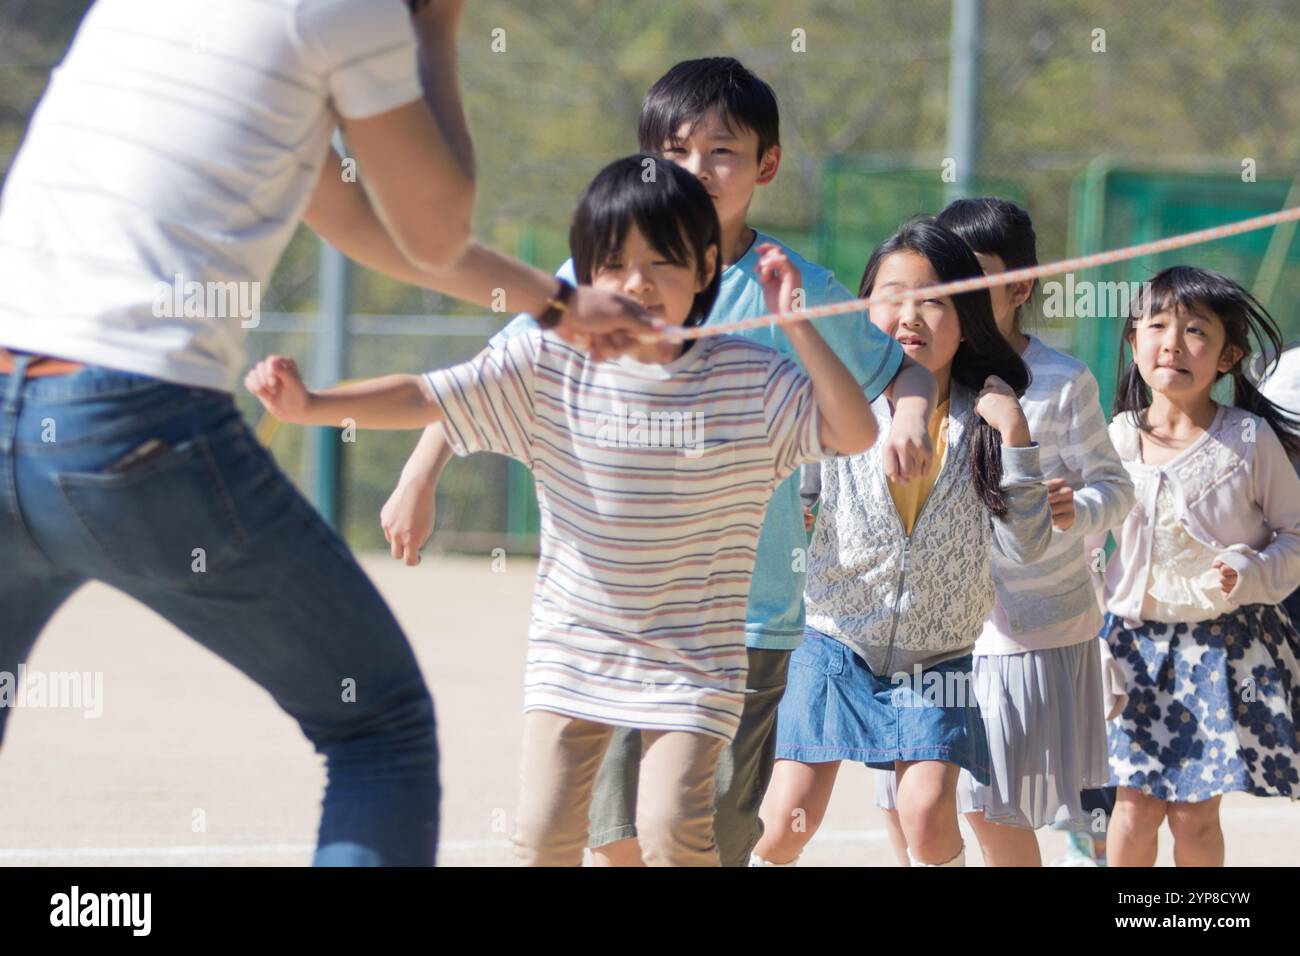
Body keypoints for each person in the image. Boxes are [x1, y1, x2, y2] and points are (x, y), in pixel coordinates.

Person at [0, 0, 652, 866]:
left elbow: (364, 228)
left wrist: (560, 304)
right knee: (377, 726)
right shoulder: (346, 11)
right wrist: (438, 29)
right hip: (126, 419)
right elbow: (435, 225)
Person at [378, 56, 937, 867]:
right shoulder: (599, 279)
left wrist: (911, 412)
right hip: (612, 621)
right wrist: (418, 471)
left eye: (721, 152)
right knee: (609, 838)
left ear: (765, 166)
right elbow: (492, 380)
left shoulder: (793, 288)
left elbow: (901, 371)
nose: (696, 171)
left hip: (743, 619)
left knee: (694, 838)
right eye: (675, 152)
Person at [248, 155, 882, 866]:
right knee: (545, 836)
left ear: (706, 268)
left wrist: (795, 326)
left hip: (694, 661)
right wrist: (312, 407)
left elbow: (856, 430)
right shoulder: (550, 366)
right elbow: (424, 396)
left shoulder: (751, 378)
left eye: (661, 262)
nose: (636, 282)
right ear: (583, 276)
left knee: (673, 830)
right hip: (574, 653)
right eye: (613, 264)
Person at [752, 217, 1052, 867]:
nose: (912, 314)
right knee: (783, 821)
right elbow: (796, 495)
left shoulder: (990, 416)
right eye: (893, 295)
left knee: (928, 816)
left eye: (936, 298)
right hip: (832, 641)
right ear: (863, 310)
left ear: (968, 316)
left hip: (939, 659)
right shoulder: (839, 401)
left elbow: (1027, 546)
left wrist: (1019, 437)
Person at [874, 198, 1133, 867]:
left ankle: (1087, 836)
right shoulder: (907, 380)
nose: (946, 295)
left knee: (987, 809)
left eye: (969, 277)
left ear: (1019, 287)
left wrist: (1078, 504)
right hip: (921, 628)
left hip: (1016, 632)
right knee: (907, 812)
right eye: (939, 279)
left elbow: (1115, 487)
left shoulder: (1061, 381)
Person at [1100, 266, 1300, 866]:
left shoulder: (1250, 439)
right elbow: (1081, 553)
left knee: (1194, 813)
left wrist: (1253, 570)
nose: (1172, 343)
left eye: (1195, 331)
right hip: (1128, 649)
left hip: (1222, 653)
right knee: (1133, 806)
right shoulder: (1112, 441)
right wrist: (1090, 641)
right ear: (1133, 341)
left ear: (1228, 356)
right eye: (1156, 325)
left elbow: (1296, 532)